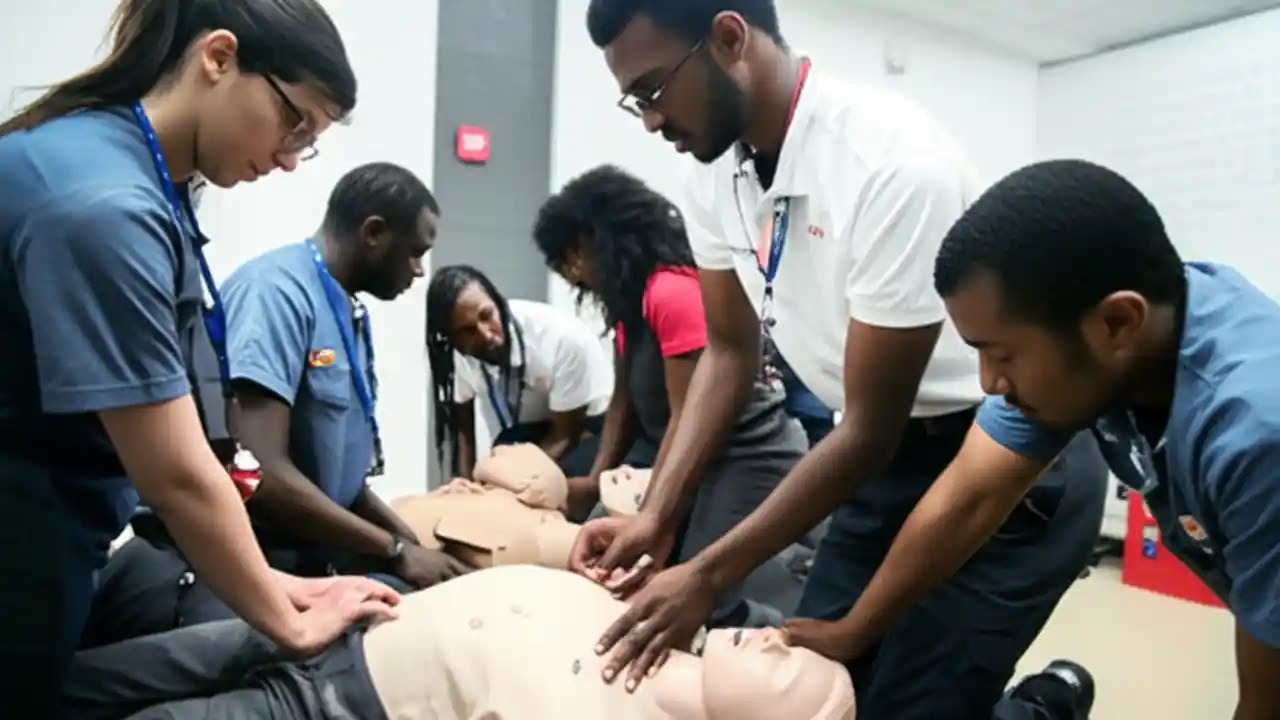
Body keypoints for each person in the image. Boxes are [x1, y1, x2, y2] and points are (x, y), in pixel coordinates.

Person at [568, 2, 1107, 718]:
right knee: (817, 685)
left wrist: (704, 573)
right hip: (880, 460)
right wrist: (658, 517)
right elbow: (729, 350)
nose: (651, 122)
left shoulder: (892, 163)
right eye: (633, 101)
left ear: (729, 38)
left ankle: (1047, 704)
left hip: (1004, 459)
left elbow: (869, 428)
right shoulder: (711, 174)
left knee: (911, 705)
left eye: (655, 90)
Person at [0, 0, 399, 714]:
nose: (288, 157)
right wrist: (291, 622)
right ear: (219, 58)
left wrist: (280, 587)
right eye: (294, 123)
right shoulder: (104, 207)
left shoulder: (127, 170)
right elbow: (178, 474)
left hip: (63, 531)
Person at [780, 158, 1280, 720]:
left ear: (1118, 325)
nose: (989, 382)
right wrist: (854, 631)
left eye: (1001, 354)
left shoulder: (1256, 436)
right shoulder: (1123, 329)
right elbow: (970, 496)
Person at [78, 163, 462, 650]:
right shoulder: (277, 293)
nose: (419, 270)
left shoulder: (344, 310)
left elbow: (339, 482)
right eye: (415, 252)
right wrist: (393, 549)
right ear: (374, 233)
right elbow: (259, 476)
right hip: (238, 565)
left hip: (300, 556)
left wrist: (410, 545)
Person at [534, 164, 809, 623]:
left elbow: (689, 421)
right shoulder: (631, 304)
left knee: (698, 598)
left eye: (573, 257)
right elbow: (623, 407)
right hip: (698, 458)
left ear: (602, 240)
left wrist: (655, 515)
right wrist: (596, 481)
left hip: (746, 456)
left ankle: (781, 652)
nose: (574, 274)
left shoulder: (671, 291)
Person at [63, 565, 856, 720]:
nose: (773, 642)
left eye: (794, 682)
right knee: (75, 679)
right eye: (790, 644)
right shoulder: (648, 619)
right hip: (346, 617)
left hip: (335, 702)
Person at [426, 264, 613, 480]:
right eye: (467, 331)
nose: (486, 335)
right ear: (452, 339)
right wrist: (466, 485)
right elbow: (464, 433)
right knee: (503, 449)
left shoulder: (562, 339)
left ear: (498, 302)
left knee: (561, 477)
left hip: (588, 428)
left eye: (487, 315)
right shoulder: (459, 355)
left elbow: (565, 437)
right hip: (532, 429)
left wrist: (512, 481)